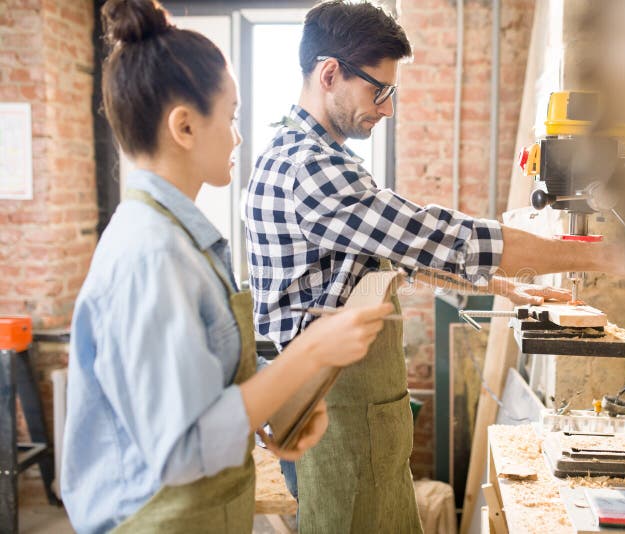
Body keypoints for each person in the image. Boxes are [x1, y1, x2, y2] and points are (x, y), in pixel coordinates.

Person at [244, 1, 625, 531]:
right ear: (330, 74)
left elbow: (389, 254)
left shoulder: (314, 157)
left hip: (345, 401)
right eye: (380, 90)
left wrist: (506, 286)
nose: (388, 108)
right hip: (336, 406)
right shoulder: (311, 168)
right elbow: (438, 236)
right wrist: (604, 254)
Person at [61, 1, 393, 532]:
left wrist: (281, 404)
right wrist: (308, 354)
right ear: (185, 126)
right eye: (232, 116)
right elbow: (182, 449)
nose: (239, 136)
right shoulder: (153, 255)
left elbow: (207, 380)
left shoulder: (182, 239)